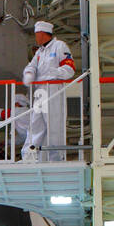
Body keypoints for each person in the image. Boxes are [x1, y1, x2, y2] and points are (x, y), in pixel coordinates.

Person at [20, 20, 76, 162]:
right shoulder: (40, 52)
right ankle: (29, 155)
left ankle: (56, 158)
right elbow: (31, 66)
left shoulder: (59, 46)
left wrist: (54, 73)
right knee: (35, 123)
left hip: (53, 90)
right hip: (40, 92)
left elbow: (69, 69)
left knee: (54, 125)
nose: (36, 38)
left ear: (43, 34)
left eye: (37, 34)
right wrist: (29, 74)